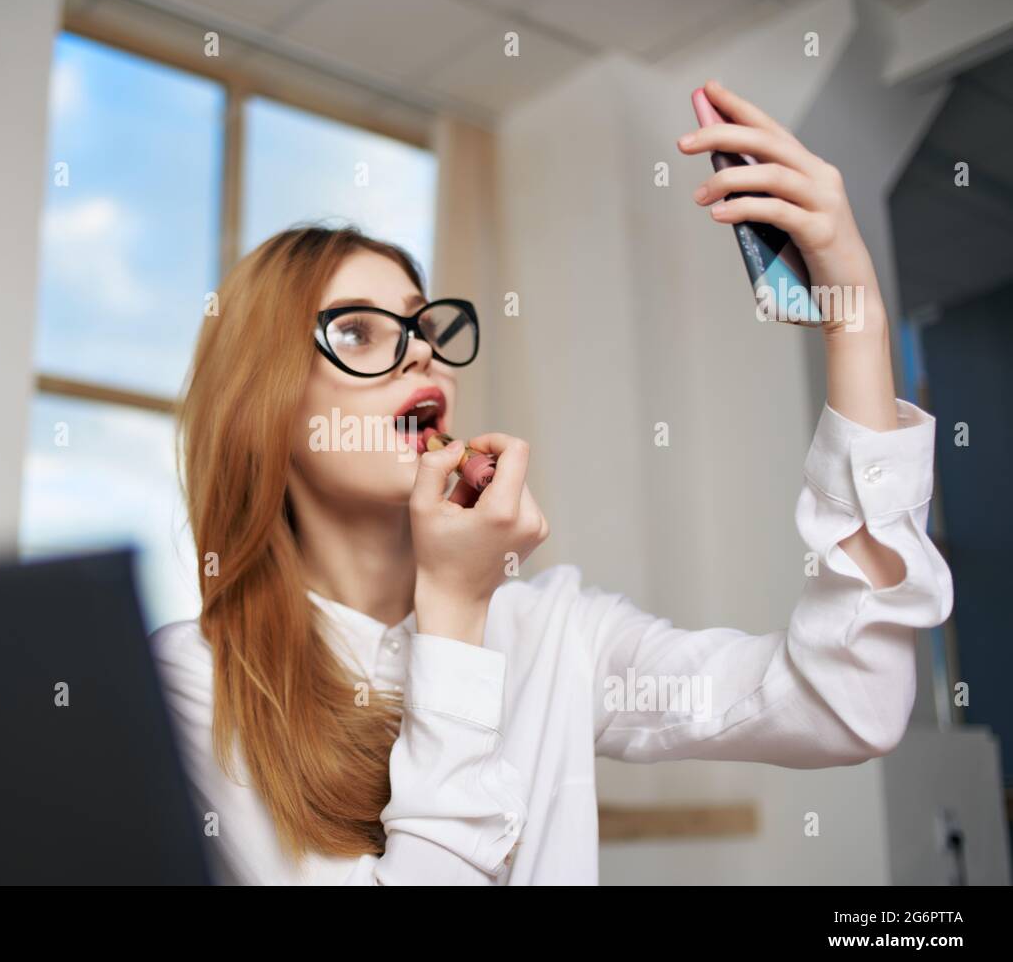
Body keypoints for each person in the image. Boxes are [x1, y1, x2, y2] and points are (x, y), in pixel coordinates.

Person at [148, 80, 953, 885]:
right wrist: (456, 612)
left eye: (425, 328)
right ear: (265, 410)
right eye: (358, 331)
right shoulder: (195, 683)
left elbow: (848, 702)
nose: (422, 352)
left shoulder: (555, 632)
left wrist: (858, 320)